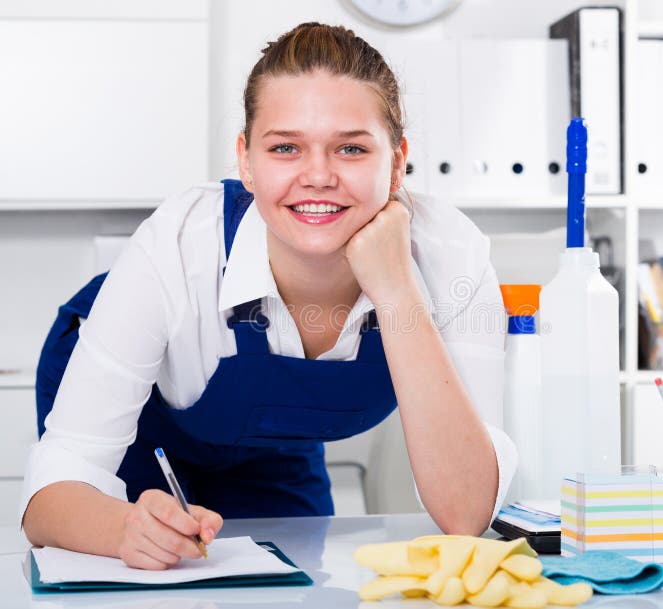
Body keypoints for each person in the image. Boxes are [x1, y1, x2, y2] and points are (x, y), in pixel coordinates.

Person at [21, 22, 516, 570]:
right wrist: (121, 528)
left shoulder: (452, 258)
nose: (319, 176)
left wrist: (397, 289)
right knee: (153, 572)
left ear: (397, 162)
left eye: (351, 148)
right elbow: (49, 497)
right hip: (145, 425)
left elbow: (466, 513)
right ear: (246, 161)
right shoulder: (180, 244)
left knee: (304, 579)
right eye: (285, 147)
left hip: (272, 442)